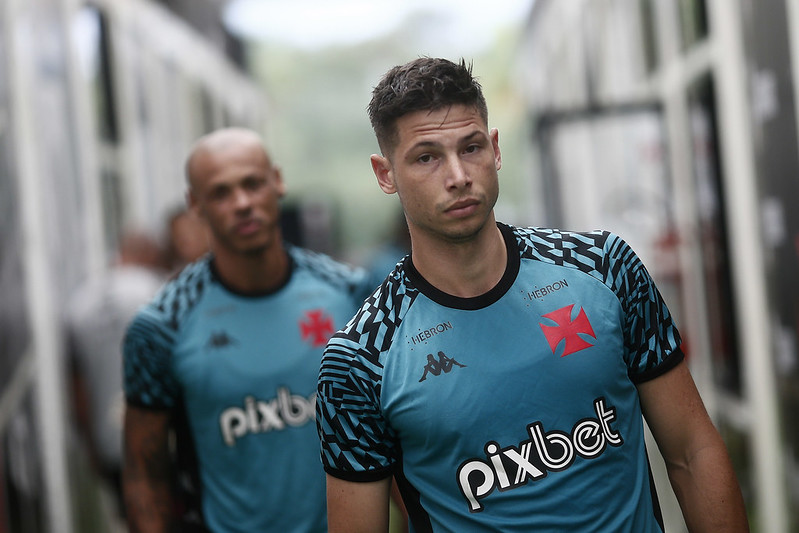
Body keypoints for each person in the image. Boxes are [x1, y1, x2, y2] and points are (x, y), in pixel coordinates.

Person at [316, 58, 749, 532]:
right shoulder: (360, 359)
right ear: (385, 174)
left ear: (495, 149)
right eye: (427, 157)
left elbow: (691, 452)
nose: (459, 175)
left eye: (471, 147)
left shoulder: (604, 267)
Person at [122, 128, 371, 532]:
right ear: (194, 205)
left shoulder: (350, 294)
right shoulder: (162, 327)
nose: (242, 203)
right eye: (220, 193)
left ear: (278, 182)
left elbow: (396, 434)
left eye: (252, 184)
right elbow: (143, 474)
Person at [66, 229, 166, 518]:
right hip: (158, 435)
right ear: (148, 255)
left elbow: (76, 385)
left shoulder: (80, 301)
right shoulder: (157, 290)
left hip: (109, 442)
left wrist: (90, 443)